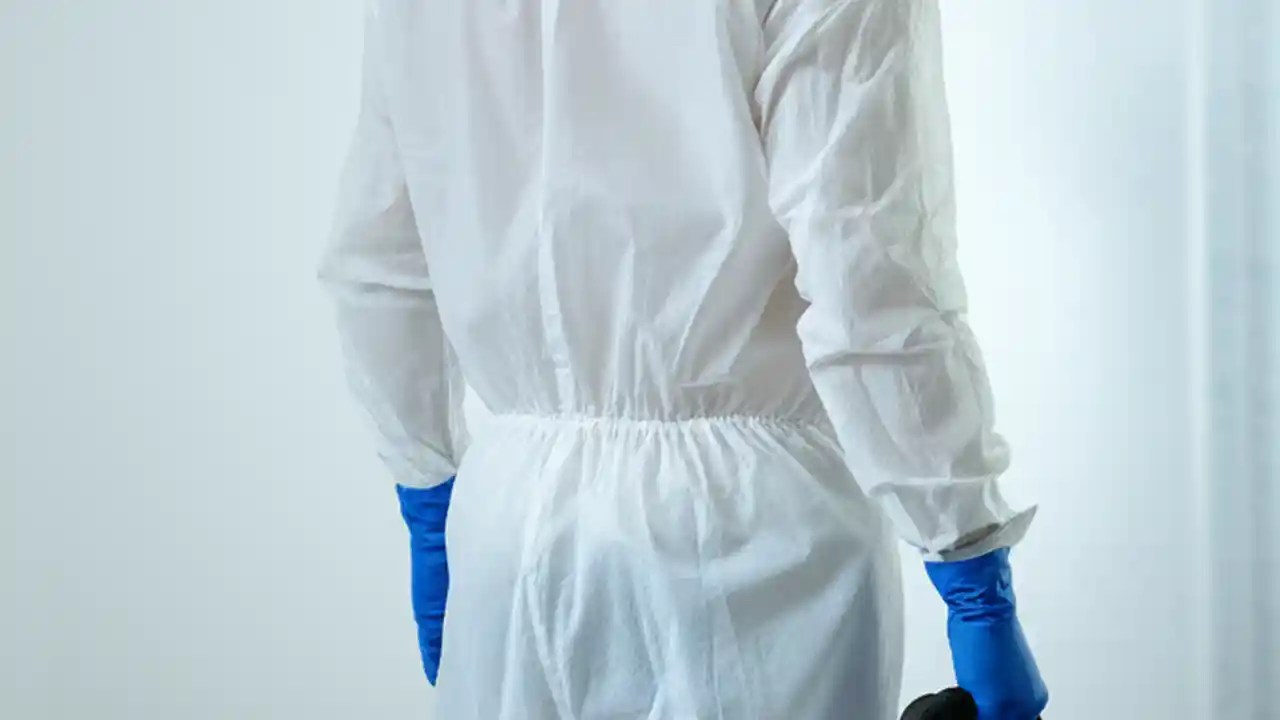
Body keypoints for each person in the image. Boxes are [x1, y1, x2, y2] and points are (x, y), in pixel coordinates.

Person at [318, 1, 1048, 718]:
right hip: (755, 541)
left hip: (510, 525)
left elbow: (379, 265)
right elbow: (866, 278)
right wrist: (969, 560)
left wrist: (430, 498)